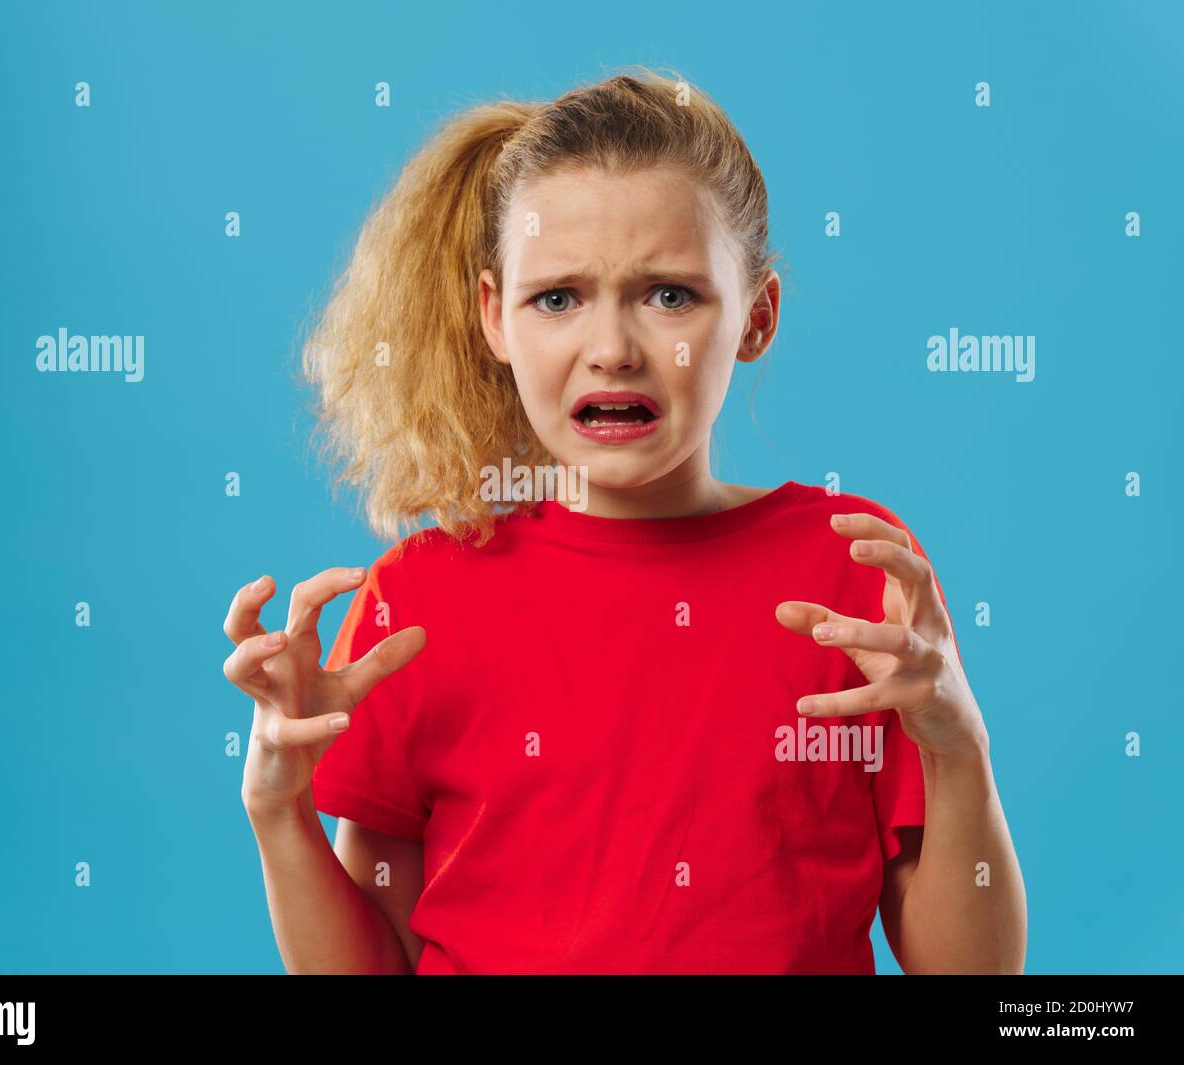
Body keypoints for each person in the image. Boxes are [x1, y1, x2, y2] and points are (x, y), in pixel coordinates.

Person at [223, 66, 1026, 975]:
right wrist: (278, 812)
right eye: (557, 298)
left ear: (757, 317)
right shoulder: (416, 608)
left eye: (669, 295)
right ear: (495, 316)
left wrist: (960, 749)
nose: (611, 350)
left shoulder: (855, 572)